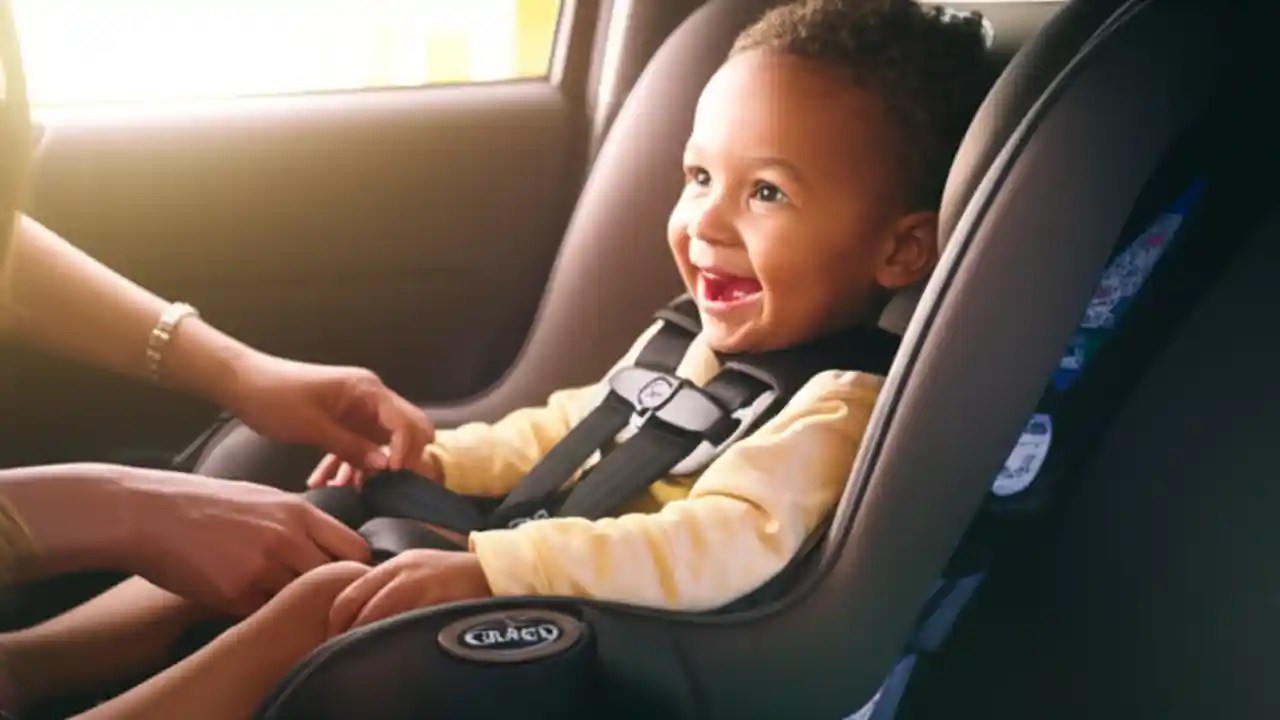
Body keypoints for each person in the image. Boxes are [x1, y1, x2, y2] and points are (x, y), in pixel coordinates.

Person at [1, 1, 994, 717]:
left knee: (325, 599)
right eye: (697, 178)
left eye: (765, 194)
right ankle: (38, 665)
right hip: (536, 564)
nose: (705, 225)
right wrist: (440, 460)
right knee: (306, 520)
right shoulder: (694, 344)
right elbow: (570, 430)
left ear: (900, 250)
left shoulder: (836, 406)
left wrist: (493, 567)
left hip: (613, 648)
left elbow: (714, 553)